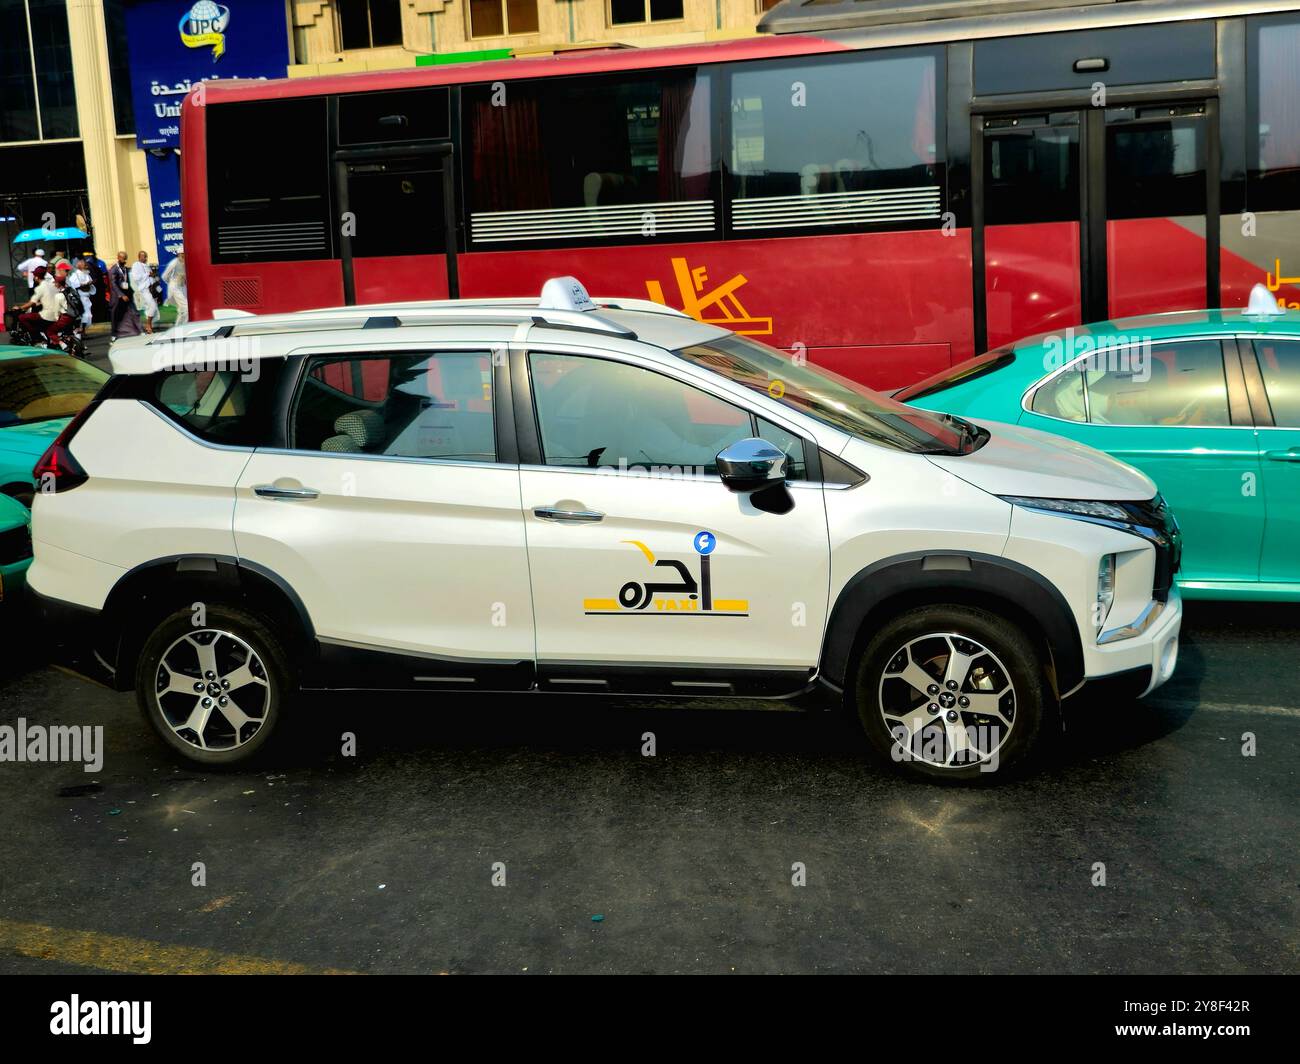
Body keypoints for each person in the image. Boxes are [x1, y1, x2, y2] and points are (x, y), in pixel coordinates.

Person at [109, 251, 141, 340]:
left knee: (134, 312)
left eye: (126, 258)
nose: (125, 260)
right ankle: (114, 335)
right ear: (118, 258)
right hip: (117, 297)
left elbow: (127, 282)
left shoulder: (125, 269)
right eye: (123, 258)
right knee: (115, 316)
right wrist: (121, 295)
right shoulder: (114, 269)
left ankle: (139, 330)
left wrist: (131, 292)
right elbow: (113, 284)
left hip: (127, 294)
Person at [67, 257, 95, 335]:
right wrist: (82, 285)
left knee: (88, 315)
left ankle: (83, 330)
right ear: (79, 266)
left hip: (86, 297)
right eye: (85, 265)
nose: (87, 266)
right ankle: (80, 330)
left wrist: (89, 284)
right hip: (80, 298)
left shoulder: (86, 274)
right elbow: (73, 285)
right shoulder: (75, 275)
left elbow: (91, 286)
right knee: (84, 315)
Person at [129, 251, 155, 334]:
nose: (145, 258)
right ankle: (148, 325)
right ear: (139, 257)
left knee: (151, 308)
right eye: (144, 256)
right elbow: (136, 278)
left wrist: (152, 276)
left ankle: (149, 326)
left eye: (146, 256)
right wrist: (147, 274)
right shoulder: (136, 265)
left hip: (150, 290)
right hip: (144, 290)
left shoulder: (146, 265)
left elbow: (150, 277)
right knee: (152, 306)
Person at [162, 252, 188, 326]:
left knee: (182, 309)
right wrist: (173, 282)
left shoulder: (186, 262)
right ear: (178, 255)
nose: (183, 255)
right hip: (175, 287)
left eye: (184, 253)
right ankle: (182, 328)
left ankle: (178, 328)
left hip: (183, 286)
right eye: (181, 254)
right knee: (186, 309)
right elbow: (164, 276)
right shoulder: (173, 263)